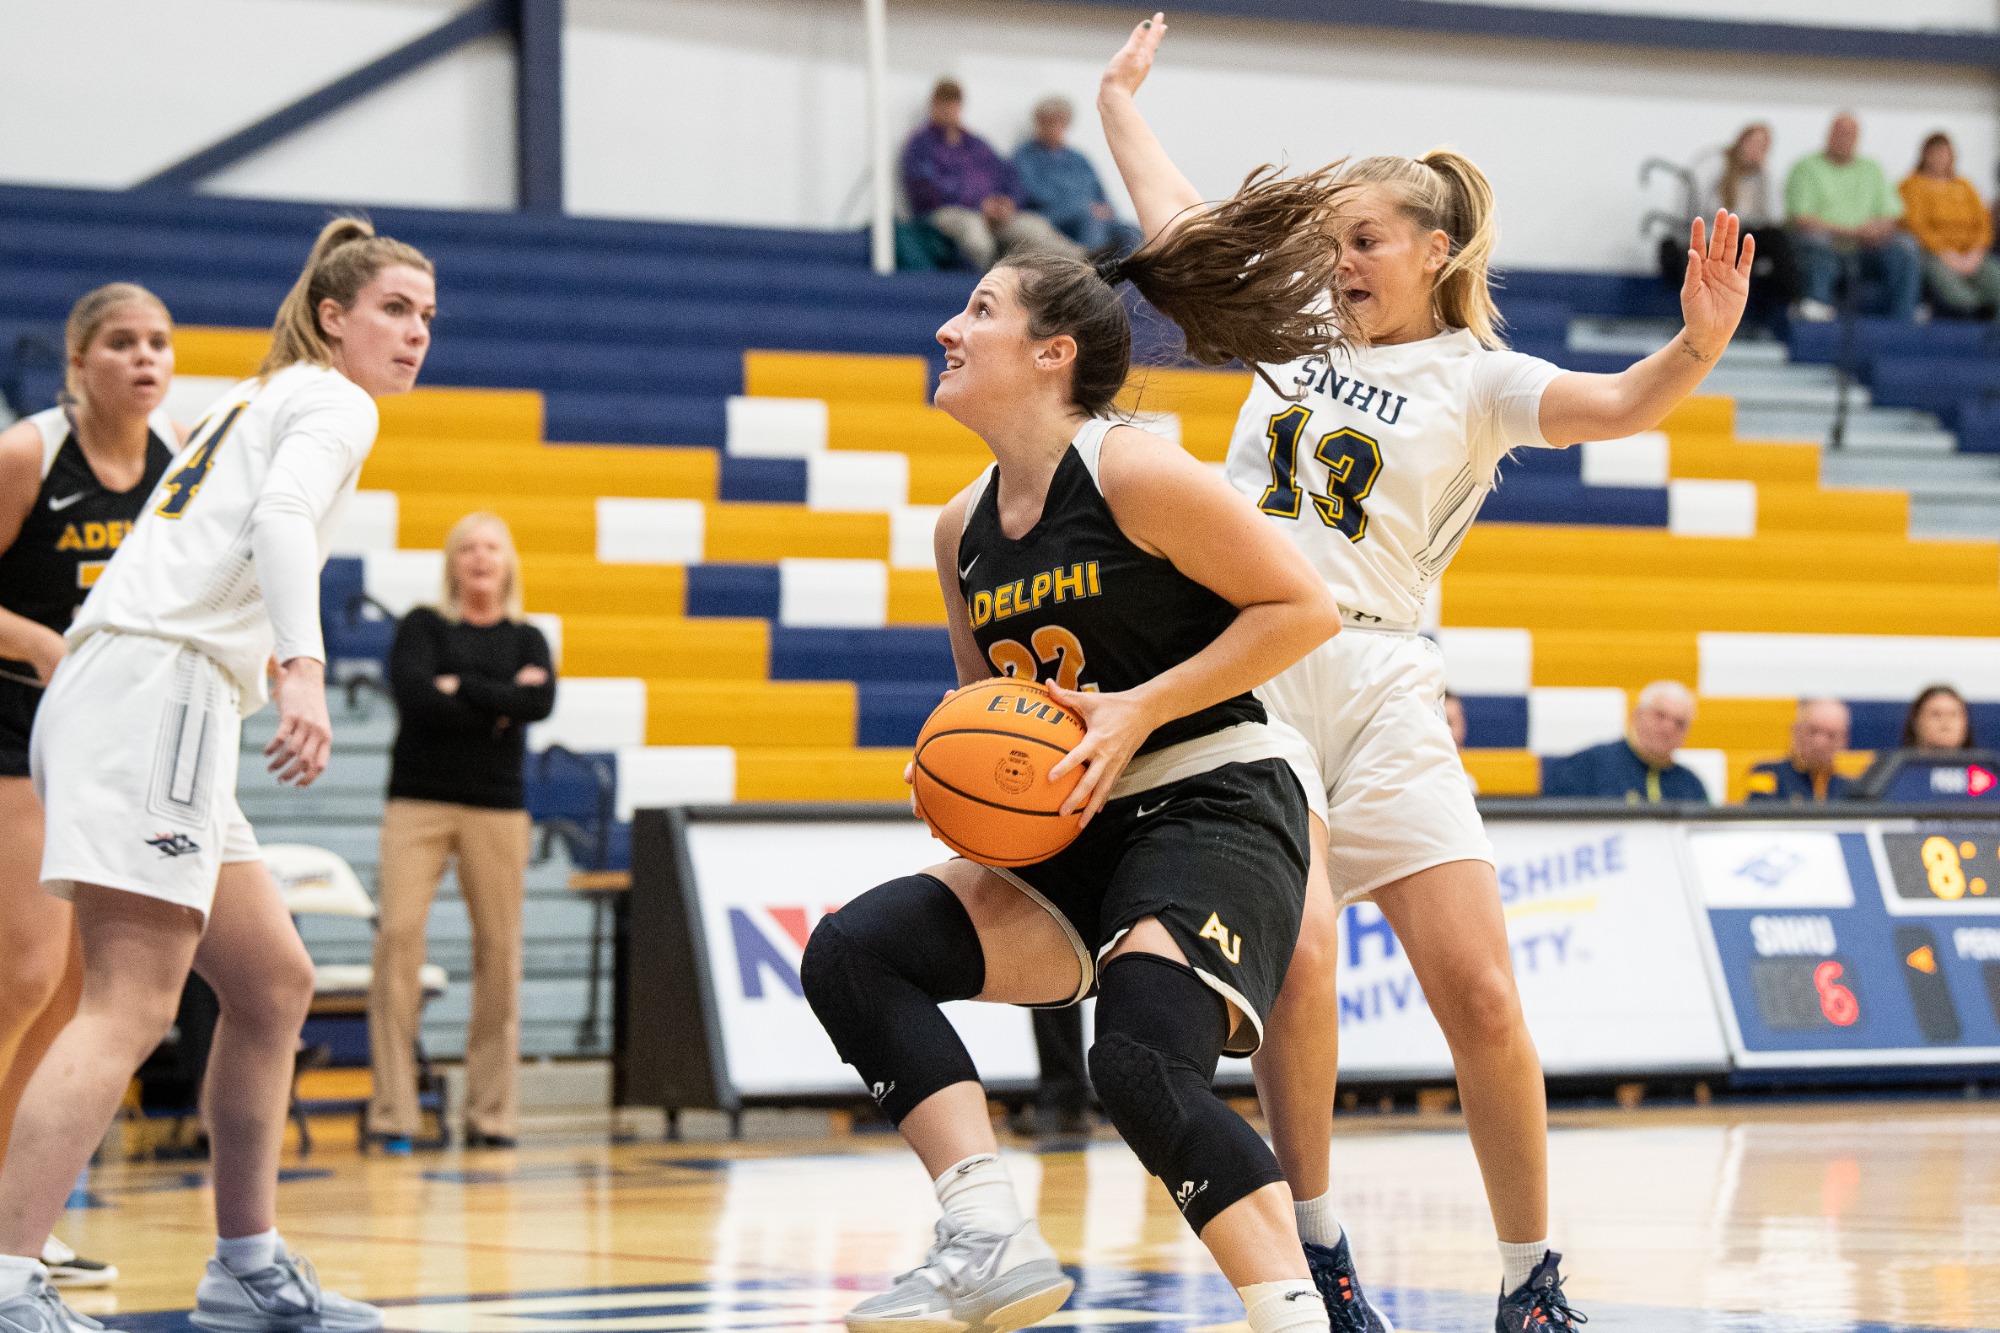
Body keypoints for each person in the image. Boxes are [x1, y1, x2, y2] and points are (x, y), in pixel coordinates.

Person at [1097, 15, 1752, 1331]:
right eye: (1332, 240)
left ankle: (1531, 1278)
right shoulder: (1280, 323)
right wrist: (1118, 105)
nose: (1337, 262)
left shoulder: (1479, 377)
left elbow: (1623, 405)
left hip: (1388, 675)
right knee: (1306, 962)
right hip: (1256, 660)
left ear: (1432, 252)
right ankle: (1325, 1250)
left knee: (1486, 994)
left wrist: (1698, 343)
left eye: (1364, 239)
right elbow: (1171, 220)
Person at [802, 163, 1356, 1333]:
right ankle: (983, 1234)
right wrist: (959, 778)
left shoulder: (1131, 467)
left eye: (983, 312)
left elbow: (1300, 609)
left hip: (1211, 792)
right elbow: (989, 708)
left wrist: (1140, 706)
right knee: (853, 951)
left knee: (1138, 1062)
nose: (949, 326)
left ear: (1054, 351)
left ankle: (1292, 1310)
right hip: (1077, 821)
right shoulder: (957, 527)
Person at [0, 217, 434, 1333]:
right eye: (394, 308)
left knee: (274, 982)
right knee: (129, 1003)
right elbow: (283, 518)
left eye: (427, 316)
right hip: (160, 690)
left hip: (128, 687)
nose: (416, 332)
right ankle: (6, 1280)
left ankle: (244, 1263)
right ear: (333, 315)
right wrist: (302, 665)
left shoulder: (257, 394)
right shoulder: (334, 401)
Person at [0, 284, 183, 1291]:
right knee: (22, 975)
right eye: (121, 342)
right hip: (9, 729)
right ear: (78, 361)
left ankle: (19, 1218)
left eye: (158, 342)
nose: (144, 358)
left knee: (76, 989)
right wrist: (29, 637)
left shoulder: (178, 461)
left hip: (108, 748)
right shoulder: (28, 455)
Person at [367, 513, 554, 1152]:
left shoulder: (528, 637)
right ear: (452, 561)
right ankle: (394, 1112)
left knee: (500, 953)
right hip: (417, 803)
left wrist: (462, 687)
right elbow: (417, 698)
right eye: (467, 548)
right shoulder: (422, 625)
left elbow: (538, 704)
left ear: (509, 563)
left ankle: (492, 1115)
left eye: (492, 548)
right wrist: (498, 700)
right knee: (397, 939)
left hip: (497, 808)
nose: (479, 558)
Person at [902, 79, 1085, 271]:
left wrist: (1007, 202)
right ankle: (985, 289)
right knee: (977, 240)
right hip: (949, 213)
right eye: (943, 103)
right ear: (933, 104)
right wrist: (981, 204)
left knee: (1033, 227)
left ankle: (1086, 262)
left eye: (953, 102)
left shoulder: (975, 144)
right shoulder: (920, 145)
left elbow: (1008, 175)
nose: (948, 109)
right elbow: (928, 190)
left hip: (993, 213)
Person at [1785, 112, 1921, 322]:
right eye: (1839, 133)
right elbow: (1801, 219)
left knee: (1905, 246)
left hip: (1866, 249)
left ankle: (1903, 322)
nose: (1844, 139)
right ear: (1828, 135)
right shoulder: (1806, 167)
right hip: (1826, 245)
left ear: (1857, 138)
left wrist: (1877, 230)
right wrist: (1852, 232)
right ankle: (1817, 318)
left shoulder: (1871, 168)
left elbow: (1892, 215)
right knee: (1816, 242)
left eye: (1850, 134)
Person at [1691, 124, 1798, 325]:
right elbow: (1701, 208)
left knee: (1777, 239)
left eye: (1763, 146)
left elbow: (1775, 216)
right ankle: (1793, 300)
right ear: (1740, 142)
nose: (1756, 150)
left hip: (1745, 236)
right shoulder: (1717, 165)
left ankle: (1788, 305)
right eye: (1753, 143)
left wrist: (1765, 176)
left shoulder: (1763, 177)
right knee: (1770, 239)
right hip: (1714, 236)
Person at [1013, 95, 1144, 256]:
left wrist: (1109, 212)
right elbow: (1035, 195)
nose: (1054, 128)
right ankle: (1092, 271)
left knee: (1133, 233)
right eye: (1048, 122)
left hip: (1093, 216)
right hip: (1054, 218)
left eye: (1060, 122)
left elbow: (1101, 195)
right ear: (1038, 123)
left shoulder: (1079, 159)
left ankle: (1130, 278)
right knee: (1090, 221)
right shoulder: (1025, 157)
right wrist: (1083, 207)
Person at [1540, 682, 1710, 803]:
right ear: (1636, 715)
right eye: (1660, 715)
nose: (1667, 728)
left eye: (1679, 723)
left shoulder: (1691, 785)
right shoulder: (1592, 764)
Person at [1900, 132, 2000, 320]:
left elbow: (1983, 223)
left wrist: (1975, 253)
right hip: (1935, 255)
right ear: (1925, 155)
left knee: (1995, 278)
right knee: (1954, 289)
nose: (1941, 159)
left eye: (1945, 154)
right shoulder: (1912, 185)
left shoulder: (1965, 186)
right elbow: (1916, 226)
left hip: (1972, 255)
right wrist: (1946, 254)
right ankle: (1974, 316)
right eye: (1936, 154)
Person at [1745, 698, 1853, 802]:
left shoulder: (1851, 790)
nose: (1820, 743)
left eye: (1831, 735)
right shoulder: (1766, 774)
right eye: (1812, 731)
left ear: (1844, 741)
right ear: (1795, 731)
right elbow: (1760, 816)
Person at [1902, 683, 1977, 750]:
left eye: (1953, 714)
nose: (1945, 721)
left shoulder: (1982, 765)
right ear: (1916, 723)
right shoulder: (1897, 764)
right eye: (1936, 714)